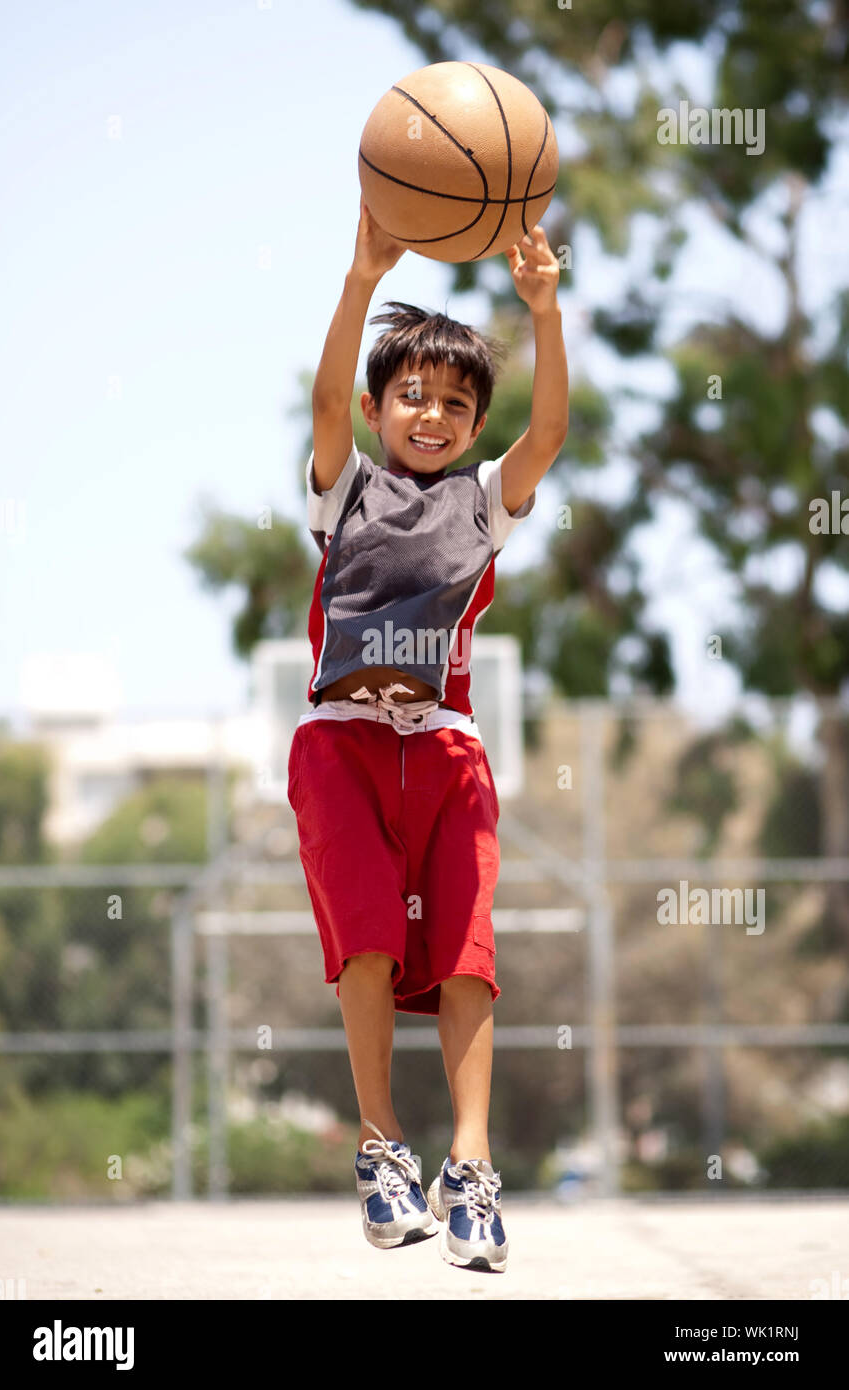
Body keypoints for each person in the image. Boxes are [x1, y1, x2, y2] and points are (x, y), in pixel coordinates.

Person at [287, 197, 568, 1273]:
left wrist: (541, 310)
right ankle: (378, 1148)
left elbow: (546, 434)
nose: (435, 414)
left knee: (466, 962)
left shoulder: (483, 503)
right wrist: (360, 279)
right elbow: (320, 399)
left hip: (445, 752)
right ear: (375, 406)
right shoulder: (343, 489)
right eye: (412, 395)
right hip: (341, 744)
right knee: (364, 939)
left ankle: (472, 1171)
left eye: (456, 401)